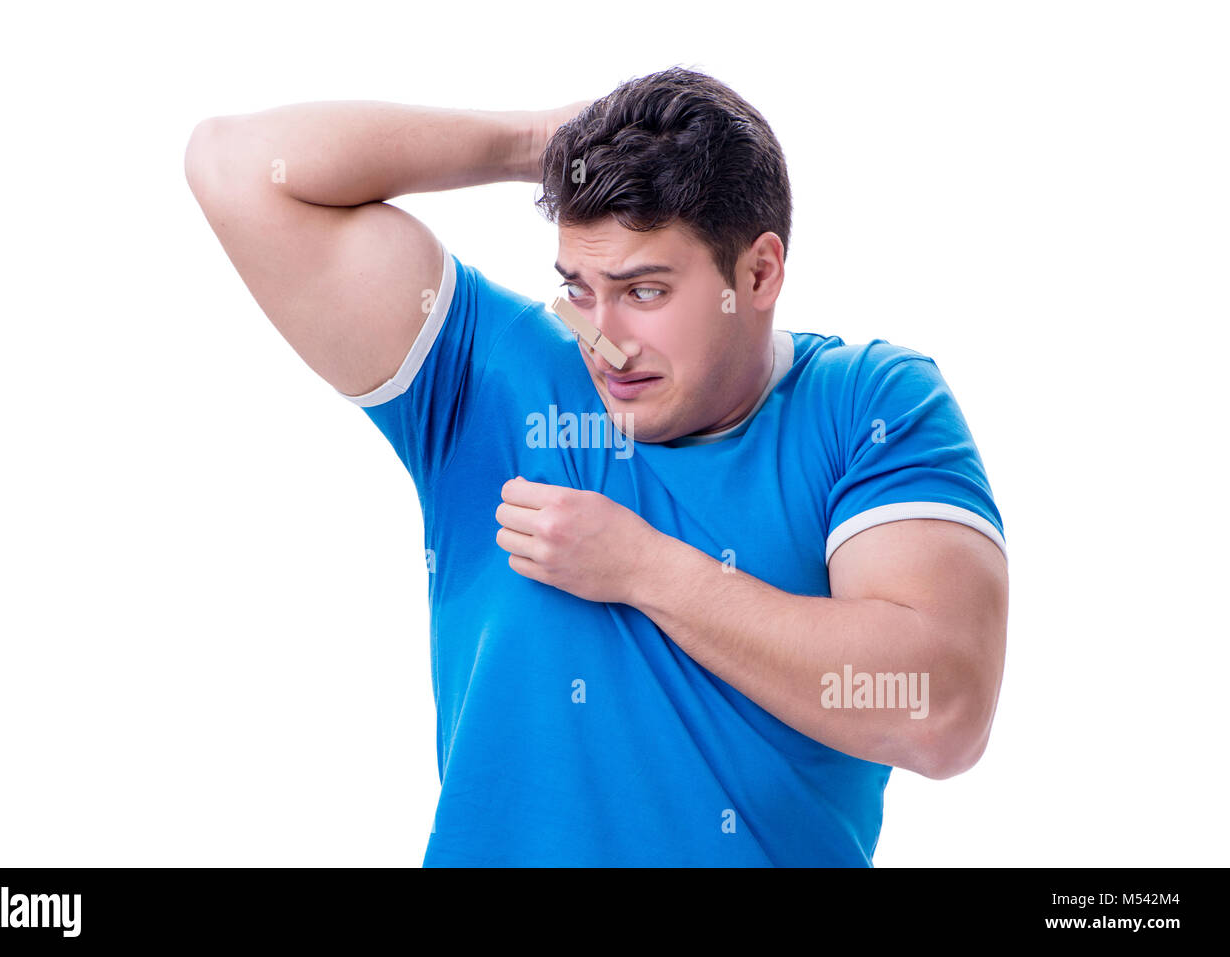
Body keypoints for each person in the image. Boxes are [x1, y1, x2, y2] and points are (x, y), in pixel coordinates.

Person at [184, 66, 1009, 866]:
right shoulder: (492, 378)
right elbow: (235, 168)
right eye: (578, 288)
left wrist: (646, 569)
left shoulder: (870, 404)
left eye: (644, 291)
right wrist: (536, 142)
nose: (604, 339)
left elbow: (942, 710)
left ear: (758, 273)